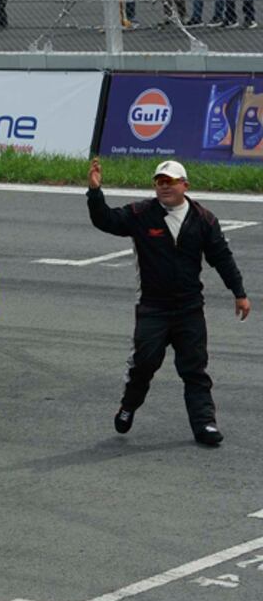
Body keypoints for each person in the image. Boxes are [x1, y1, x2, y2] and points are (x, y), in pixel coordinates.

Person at [87, 157, 249, 448]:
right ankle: (128, 406)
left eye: (170, 181)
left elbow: (222, 258)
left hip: (189, 309)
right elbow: (106, 220)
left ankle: (205, 424)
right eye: (159, 182)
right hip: (153, 307)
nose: (164, 187)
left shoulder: (204, 219)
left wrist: (239, 293)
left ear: (184, 185)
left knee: (194, 369)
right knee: (144, 364)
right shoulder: (140, 214)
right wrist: (95, 192)